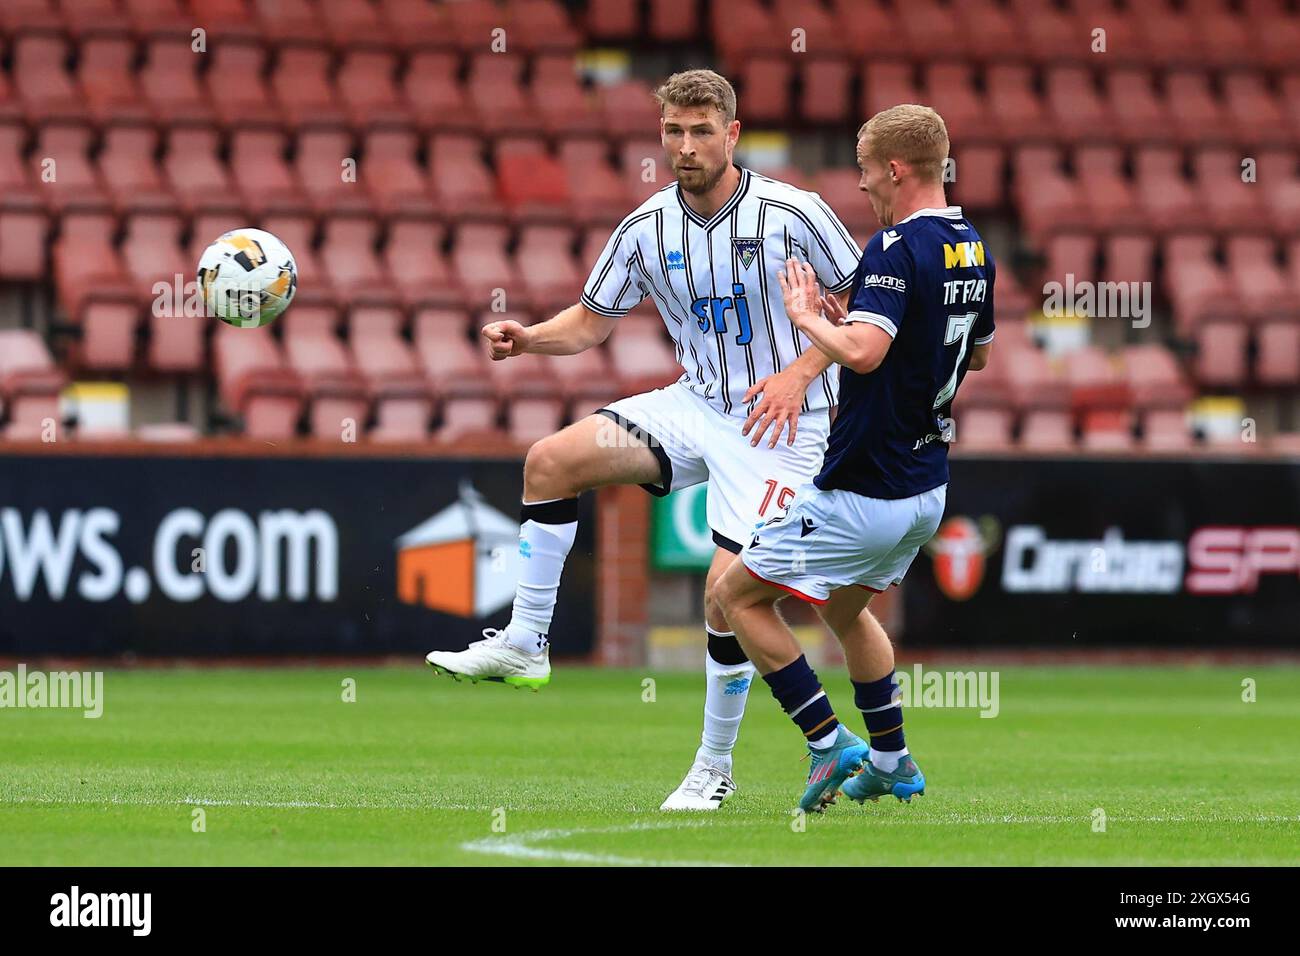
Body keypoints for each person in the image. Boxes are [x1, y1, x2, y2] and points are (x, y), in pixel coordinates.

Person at [424, 69, 862, 811]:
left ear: (732, 133)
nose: (685, 147)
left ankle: (713, 768)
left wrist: (800, 371)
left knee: (724, 596)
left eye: (700, 131)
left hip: (787, 423)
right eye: (672, 132)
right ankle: (528, 643)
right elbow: (592, 323)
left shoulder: (797, 212)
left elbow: (865, 317)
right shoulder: (646, 227)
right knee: (549, 461)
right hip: (698, 405)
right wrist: (528, 338)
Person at [713, 104, 996, 813]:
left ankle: (826, 740)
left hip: (866, 483)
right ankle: (893, 761)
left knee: (734, 598)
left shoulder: (895, 247)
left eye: (867, 169)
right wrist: (863, 329)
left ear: (895, 168)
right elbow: (979, 353)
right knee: (845, 614)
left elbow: (867, 352)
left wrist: (811, 320)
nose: (863, 183)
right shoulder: (972, 244)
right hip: (926, 488)